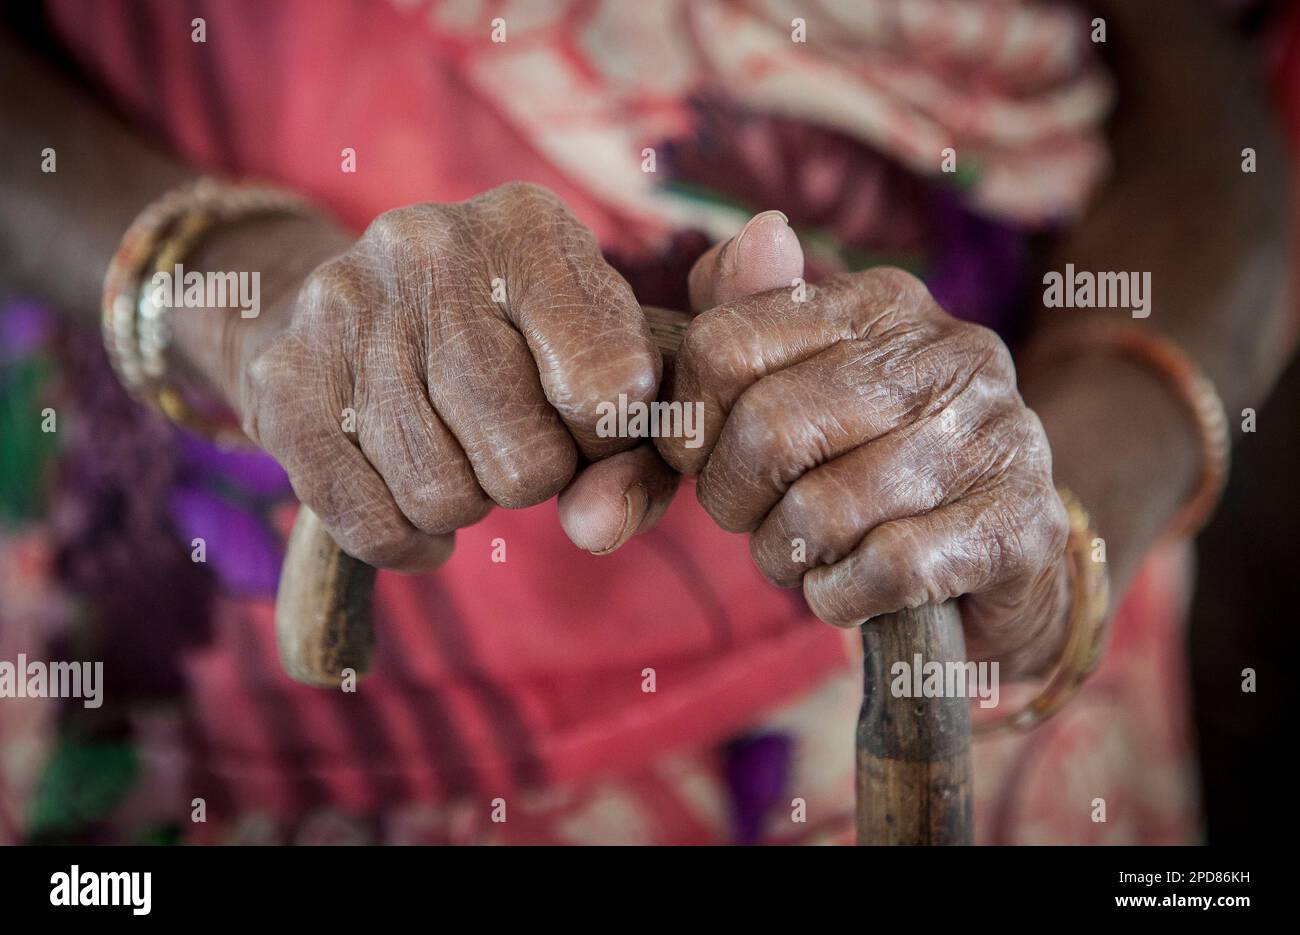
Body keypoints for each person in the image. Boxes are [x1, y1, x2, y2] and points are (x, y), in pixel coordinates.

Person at [0, 0, 1293, 844]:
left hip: (964, 550)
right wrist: (257, 291)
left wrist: (1050, 511)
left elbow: (1215, 124)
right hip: (190, 610)